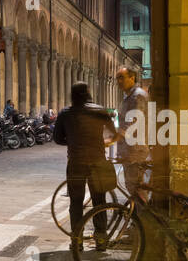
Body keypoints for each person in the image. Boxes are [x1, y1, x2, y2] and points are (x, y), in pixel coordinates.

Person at [52, 81, 118, 241]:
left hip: (76, 162)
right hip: (98, 161)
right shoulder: (100, 111)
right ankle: (101, 238)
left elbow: (57, 138)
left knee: (75, 202)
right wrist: (104, 142)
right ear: (88, 93)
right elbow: (113, 134)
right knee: (99, 200)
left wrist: (74, 141)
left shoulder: (65, 113)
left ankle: (77, 239)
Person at [114, 66, 150, 197]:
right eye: (117, 78)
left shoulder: (137, 96)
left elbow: (132, 121)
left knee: (135, 188)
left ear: (132, 78)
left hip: (135, 150)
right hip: (130, 150)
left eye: (121, 78)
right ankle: (139, 215)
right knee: (133, 187)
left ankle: (143, 216)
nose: (118, 81)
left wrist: (114, 138)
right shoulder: (130, 96)